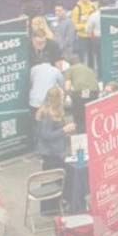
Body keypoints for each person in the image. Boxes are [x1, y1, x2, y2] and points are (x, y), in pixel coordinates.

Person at [33, 86, 74, 215]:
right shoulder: (47, 115)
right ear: (57, 98)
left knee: (57, 180)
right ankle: (49, 209)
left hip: (56, 152)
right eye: (62, 96)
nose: (64, 98)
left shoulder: (55, 112)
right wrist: (64, 130)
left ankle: (55, 206)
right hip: (50, 153)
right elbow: (46, 135)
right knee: (51, 181)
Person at [72, 0, 98, 66]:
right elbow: (74, 25)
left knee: (92, 56)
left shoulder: (93, 7)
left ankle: (91, 70)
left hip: (92, 36)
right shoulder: (77, 8)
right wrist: (85, 26)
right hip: (82, 36)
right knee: (82, 57)